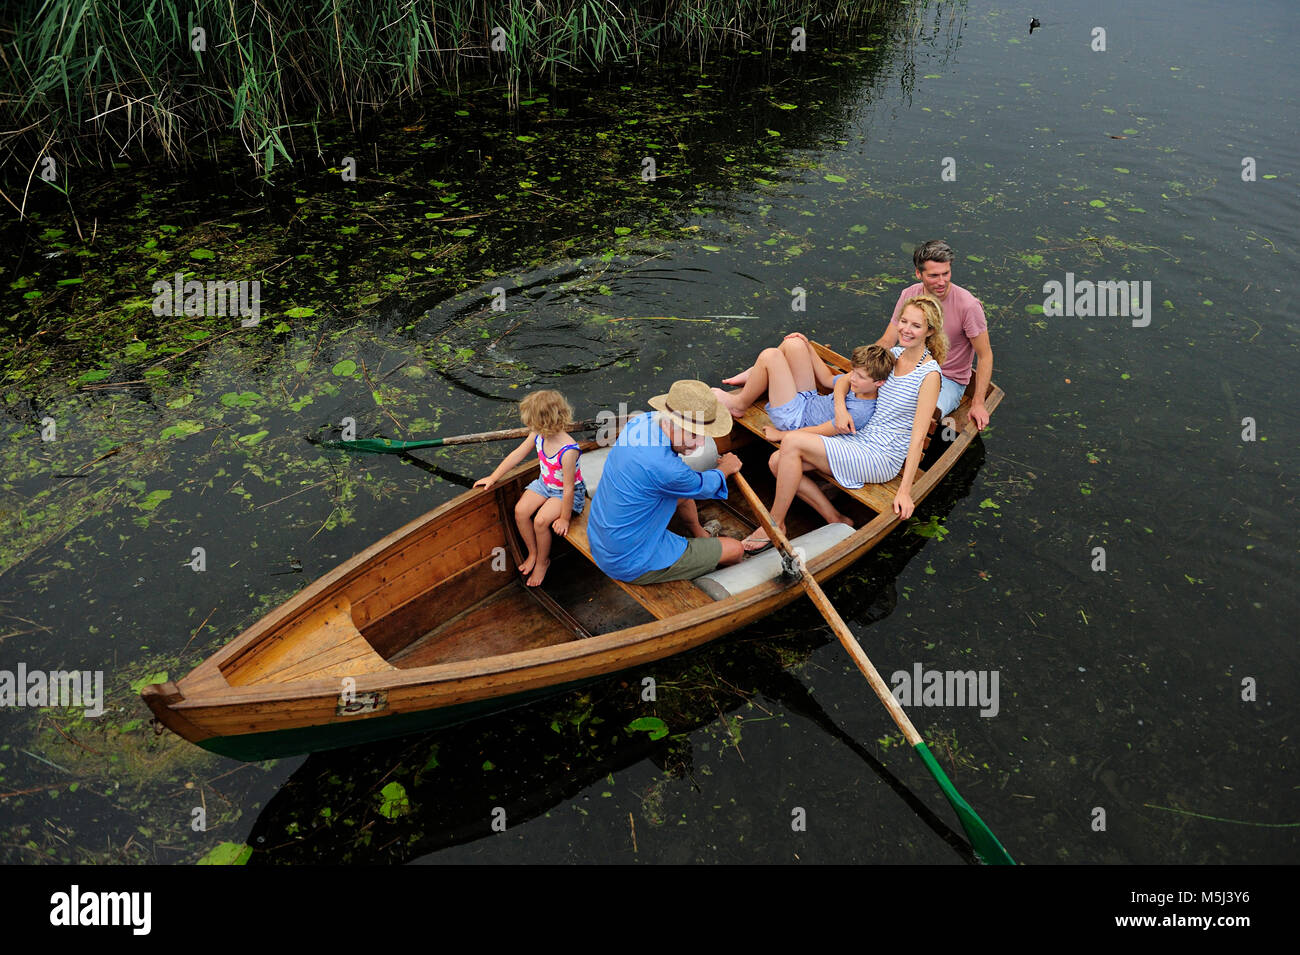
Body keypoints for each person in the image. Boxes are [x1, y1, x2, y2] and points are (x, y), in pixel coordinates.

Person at [744, 295, 946, 550]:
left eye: (916, 325)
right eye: (903, 321)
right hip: (857, 438)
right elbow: (842, 381)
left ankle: (775, 523)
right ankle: (835, 517)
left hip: (881, 456)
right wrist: (840, 408)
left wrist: (905, 491)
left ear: (930, 331)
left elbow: (917, 438)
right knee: (778, 461)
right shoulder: (893, 355)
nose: (906, 329)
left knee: (791, 443)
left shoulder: (929, 375)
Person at [587, 380, 746, 584]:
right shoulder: (667, 470)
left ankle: (700, 535)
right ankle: (710, 570)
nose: (700, 443)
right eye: (694, 434)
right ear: (669, 423)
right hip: (630, 560)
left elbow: (682, 483)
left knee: (682, 493)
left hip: (601, 538)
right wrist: (726, 468)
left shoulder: (641, 422)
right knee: (735, 549)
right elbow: (705, 485)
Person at [875, 239, 993, 430]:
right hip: (909, 365)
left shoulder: (968, 306)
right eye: (934, 275)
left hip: (948, 379)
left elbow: (985, 355)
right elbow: (888, 339)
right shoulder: (909, 294)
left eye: (946, 273)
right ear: (918, 273)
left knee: (920, 414)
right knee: (868, 390)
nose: (941, 281)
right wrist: (868, 364)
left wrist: (978, 403)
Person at [473, 390, 584, 587]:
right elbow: (517, 455)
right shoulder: (538, 434)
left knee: (540, 521)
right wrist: (493, 477)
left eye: (531, 422)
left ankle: (543, 562)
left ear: (545, 422)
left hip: (565, 494)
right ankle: (533, 552)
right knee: (520, 511)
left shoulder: (568, 450)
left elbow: (568, 489)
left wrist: (564, 518)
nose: (528, 426)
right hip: (545, 484)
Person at [712, 335, 894, 442]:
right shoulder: (858, 383)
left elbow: (820, 433)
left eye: (860, 376)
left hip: (795, 420)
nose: (852, 377)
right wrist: (807, 345)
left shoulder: (859, 412)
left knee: (770, 356)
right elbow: (828, 379)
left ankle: (739, 404)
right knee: (794, 343)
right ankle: (755, 374)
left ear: (879, 383)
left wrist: (782, 435)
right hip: (808, 399)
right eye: (853, 372)